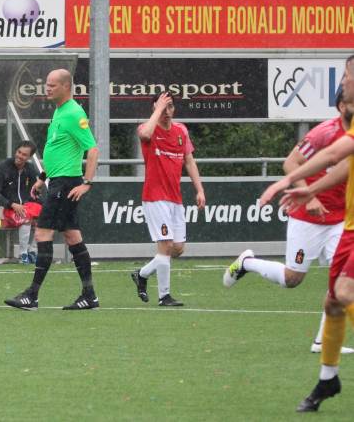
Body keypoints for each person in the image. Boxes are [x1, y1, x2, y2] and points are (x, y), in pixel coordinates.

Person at [259, 54, 354, 412]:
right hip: (346, 226)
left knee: (344, 291)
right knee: (331, 302)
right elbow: (342, 162)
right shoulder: (336, 128)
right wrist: (310, 190)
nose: (342, 83)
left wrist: (288, 181)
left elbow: (337, 152)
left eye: (347, 76)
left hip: (345, 226)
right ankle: (328, 380)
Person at [229, 90, 354, 353]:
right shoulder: (324, 133)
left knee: (343, 280)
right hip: (308, 217)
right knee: (292, 279)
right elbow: (290, 163)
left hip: (340, 221)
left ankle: (323, 341)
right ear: (342, 106)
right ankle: (247, 263)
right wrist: (309, 196)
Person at [4, 68, 100, 311]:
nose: (47, 89)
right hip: (57, 181)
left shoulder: (74, 113)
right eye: (46, 84)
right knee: (72, 236)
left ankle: (32, 296)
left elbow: (93, 150)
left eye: (52, 85)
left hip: (66, 183)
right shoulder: (59, 111)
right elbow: (57, 150)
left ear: (66, 86)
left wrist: (86, 183)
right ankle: (89, 295)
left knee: (42, 234)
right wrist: (42, 177)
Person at [130, 93, 205, 307]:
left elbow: (189, 162)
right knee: (165, 246)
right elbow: (144, 135)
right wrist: (157, 110)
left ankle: (142, 274)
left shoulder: (181, 131)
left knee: (178, 248)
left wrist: (199, 190)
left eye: (170, 106)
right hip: (155, 197)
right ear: (154, 108)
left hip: (175, 198)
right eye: (162, 107)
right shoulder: (148, 128)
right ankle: (164, 296)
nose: (166, 111)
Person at [0, 140, 43, 264]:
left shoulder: (30, 169)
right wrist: (12, 205)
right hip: (0, 208)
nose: (19, 156)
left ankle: (33, 250)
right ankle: (23, 254)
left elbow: (32, 195)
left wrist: (39, 201)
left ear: (29, 157)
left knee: (47, 213)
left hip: (22, 207)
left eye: (24, 154)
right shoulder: (2, 166)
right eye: (19, 152)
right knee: (26, 215)